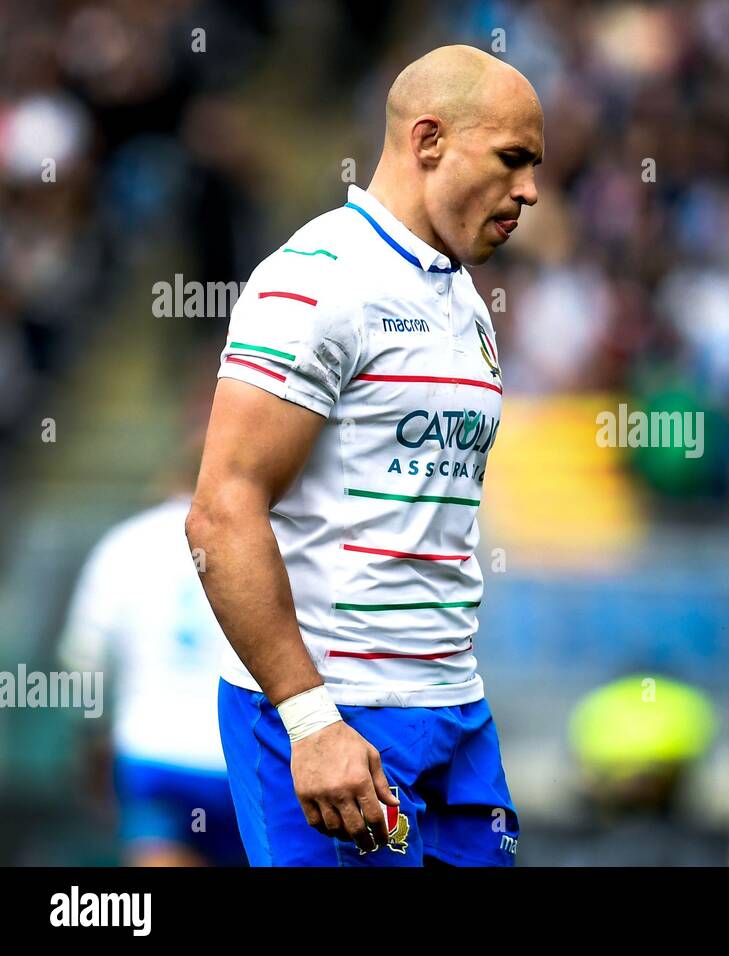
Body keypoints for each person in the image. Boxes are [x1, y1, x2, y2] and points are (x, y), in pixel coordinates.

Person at [186, 45, 542, 866]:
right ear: (428, 141)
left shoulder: (464, 302)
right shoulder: (317, 280)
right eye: (512, 160)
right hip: (335, 719)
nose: (528, 190)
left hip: (454, 712)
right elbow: (219, 510)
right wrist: (310, 721)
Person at [60, 448, 244, 866]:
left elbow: (84, 657)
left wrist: (92, 739)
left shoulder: (127, 541)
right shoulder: (262, 539)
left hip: (153, 750)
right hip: (239, 759)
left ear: (171, 478)